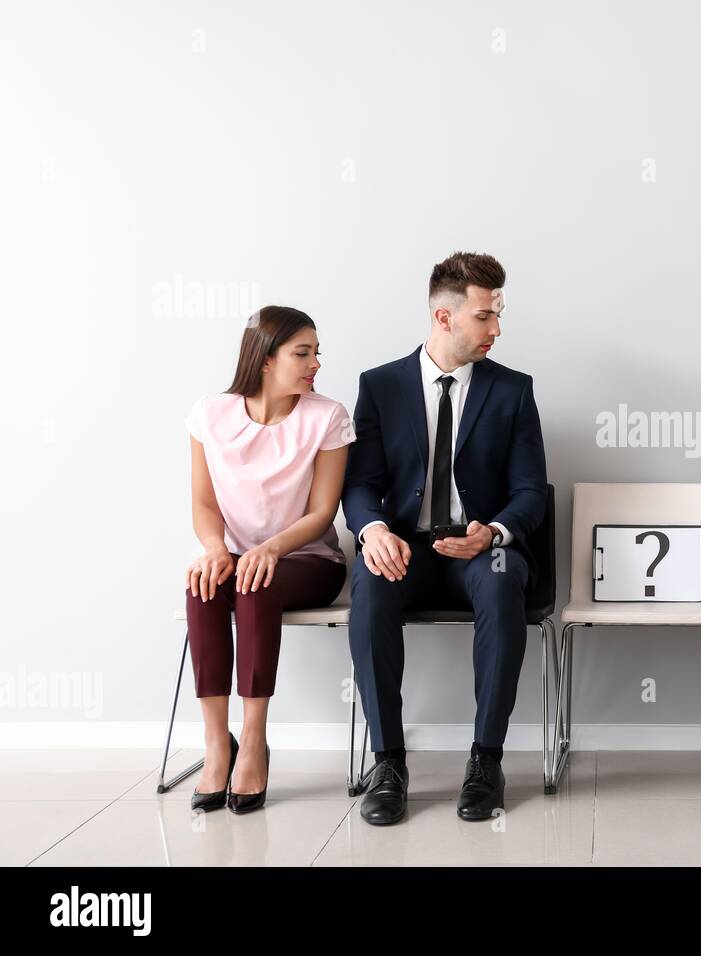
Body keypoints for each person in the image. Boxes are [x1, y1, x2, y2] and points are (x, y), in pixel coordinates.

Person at [343, 251, 547, 825]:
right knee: (371, 588)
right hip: (405, 546)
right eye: (485, 316)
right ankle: (388, 762)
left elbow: (531, 490)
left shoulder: (513, 390)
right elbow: (361, 483)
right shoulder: (380, 386)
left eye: (498, 314)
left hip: (481, 549)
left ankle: (486, 760)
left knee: (504, 585)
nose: (497, 329)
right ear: (444, 318)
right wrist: (374, 529)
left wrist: (495, 532)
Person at [184, 306, 355, 813]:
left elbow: (324, 513)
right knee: (203, 583)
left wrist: (270, 549)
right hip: (234, 557)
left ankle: (254, 740)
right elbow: (203, 503)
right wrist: (216, 549)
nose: (315, 363)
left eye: (317, 352)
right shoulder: (210, 415)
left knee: (254, 582)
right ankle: (218, 744)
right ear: (264, 359)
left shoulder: (327, 417)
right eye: (302, 353)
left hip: (307, 559)